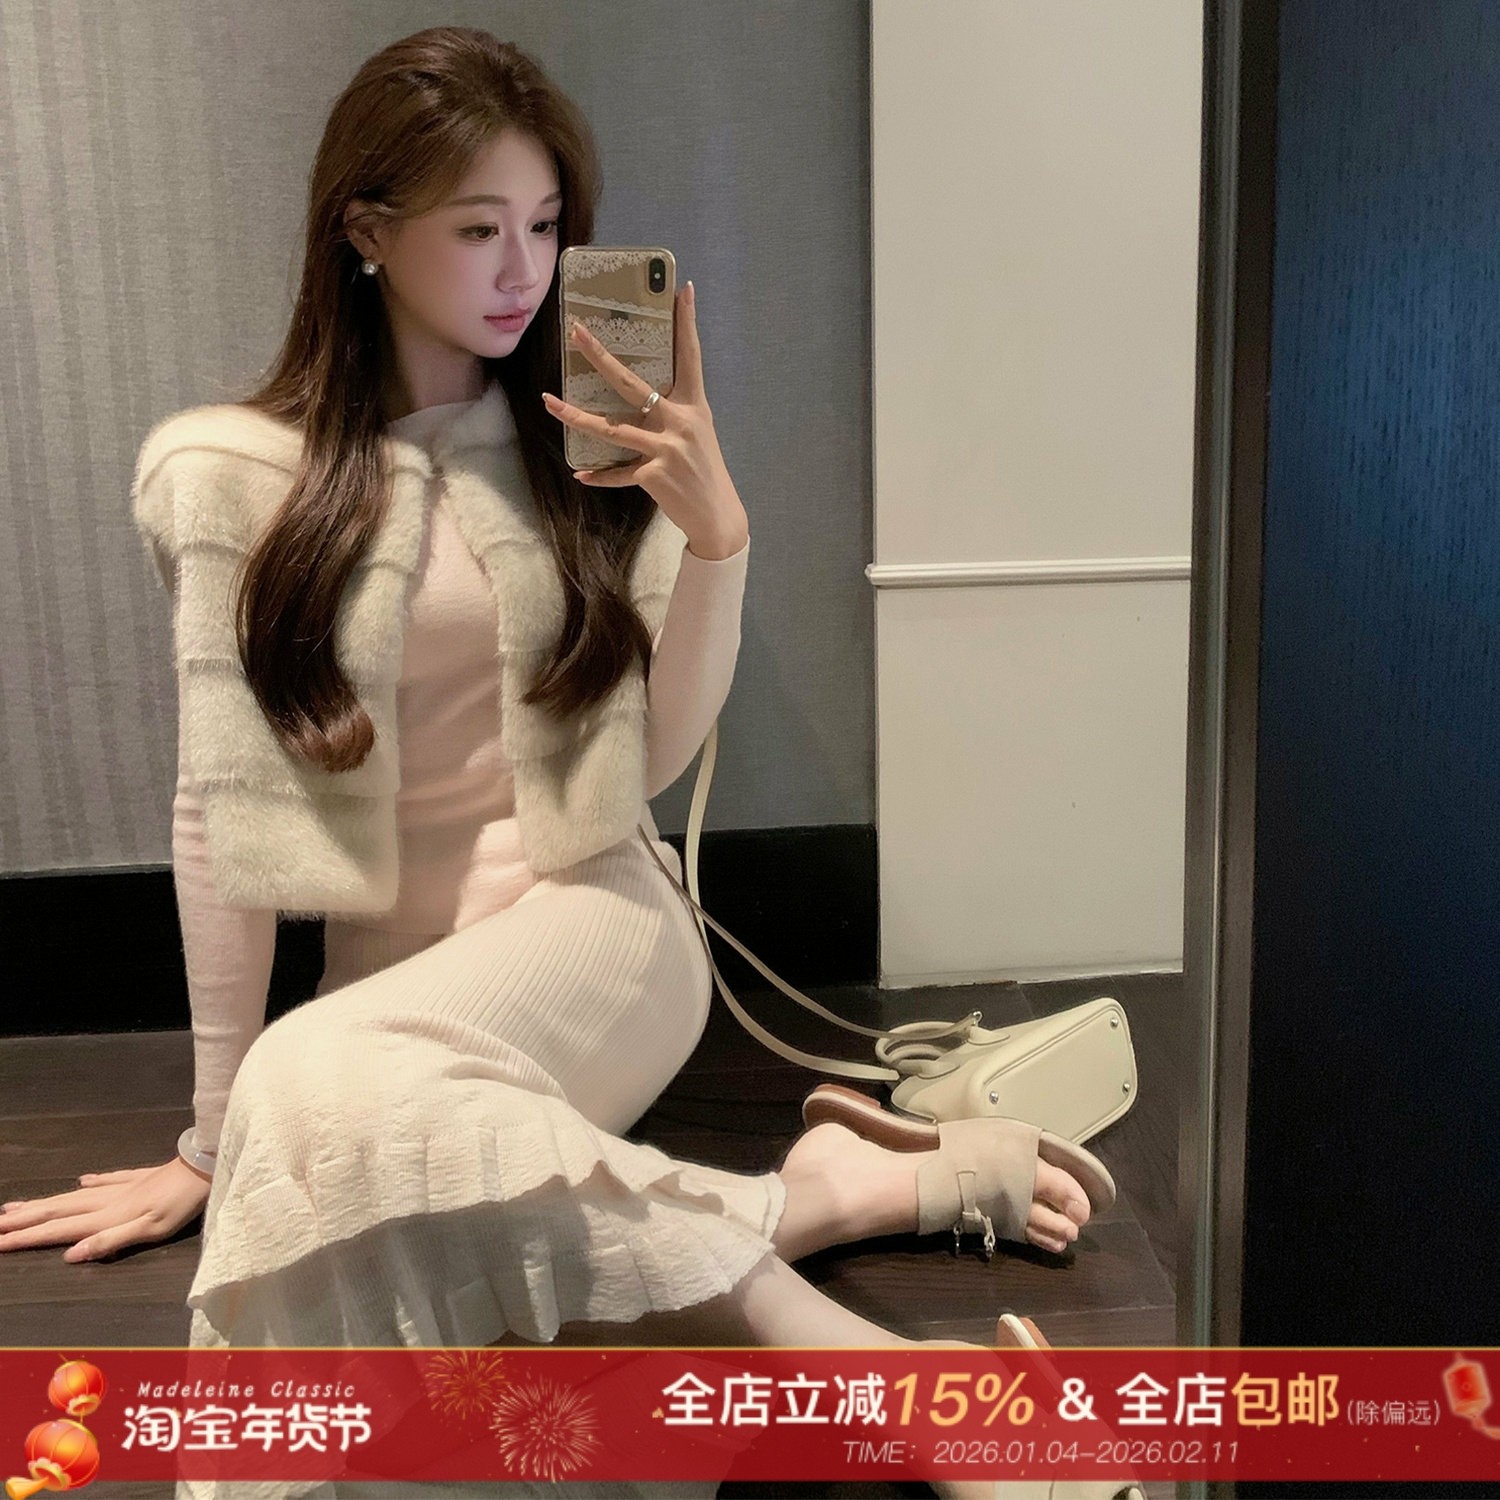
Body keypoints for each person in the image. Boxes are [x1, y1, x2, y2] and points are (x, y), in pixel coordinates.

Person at [0, 28, 1135, 1500]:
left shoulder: (587, 450)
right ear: (365, 229)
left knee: (329, 1114)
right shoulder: (230, 476)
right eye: (479, 229)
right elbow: (219, 813)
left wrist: (716, 541)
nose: (523, 270)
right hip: (395, 998)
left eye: (545, 227)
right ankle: (817, 1195)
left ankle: (902, 1390)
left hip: (598, 925)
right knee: (353, 1172)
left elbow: (645, 760)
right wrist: (212, 1145)